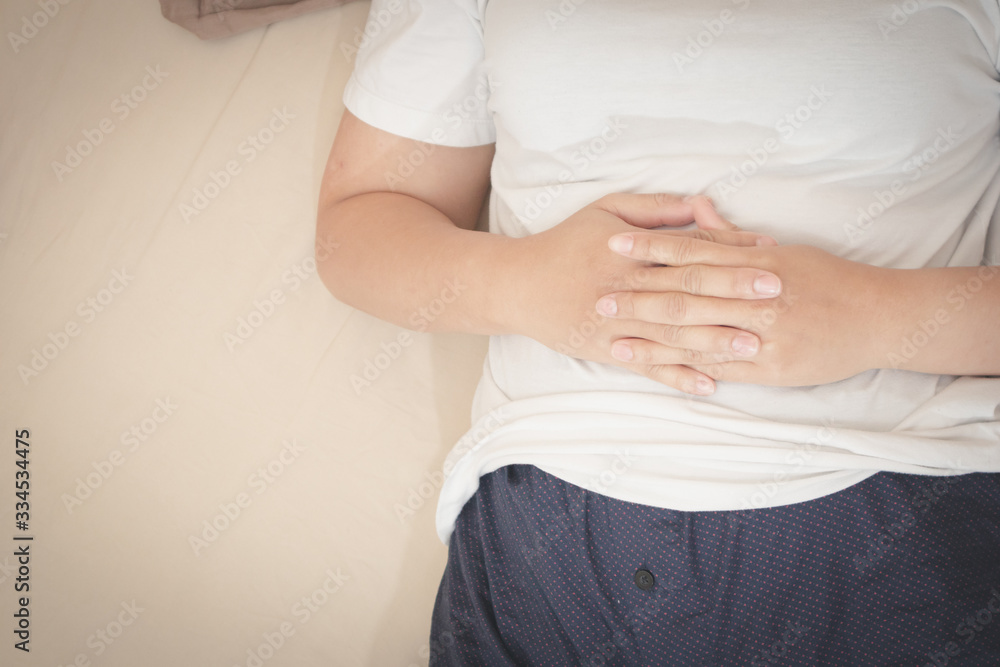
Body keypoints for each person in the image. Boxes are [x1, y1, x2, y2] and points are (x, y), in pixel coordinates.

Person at [316, 1, 1000, 664]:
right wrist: (527, 284)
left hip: (903, 507)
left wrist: (877, 317)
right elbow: (358, 228)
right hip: (552, 535)